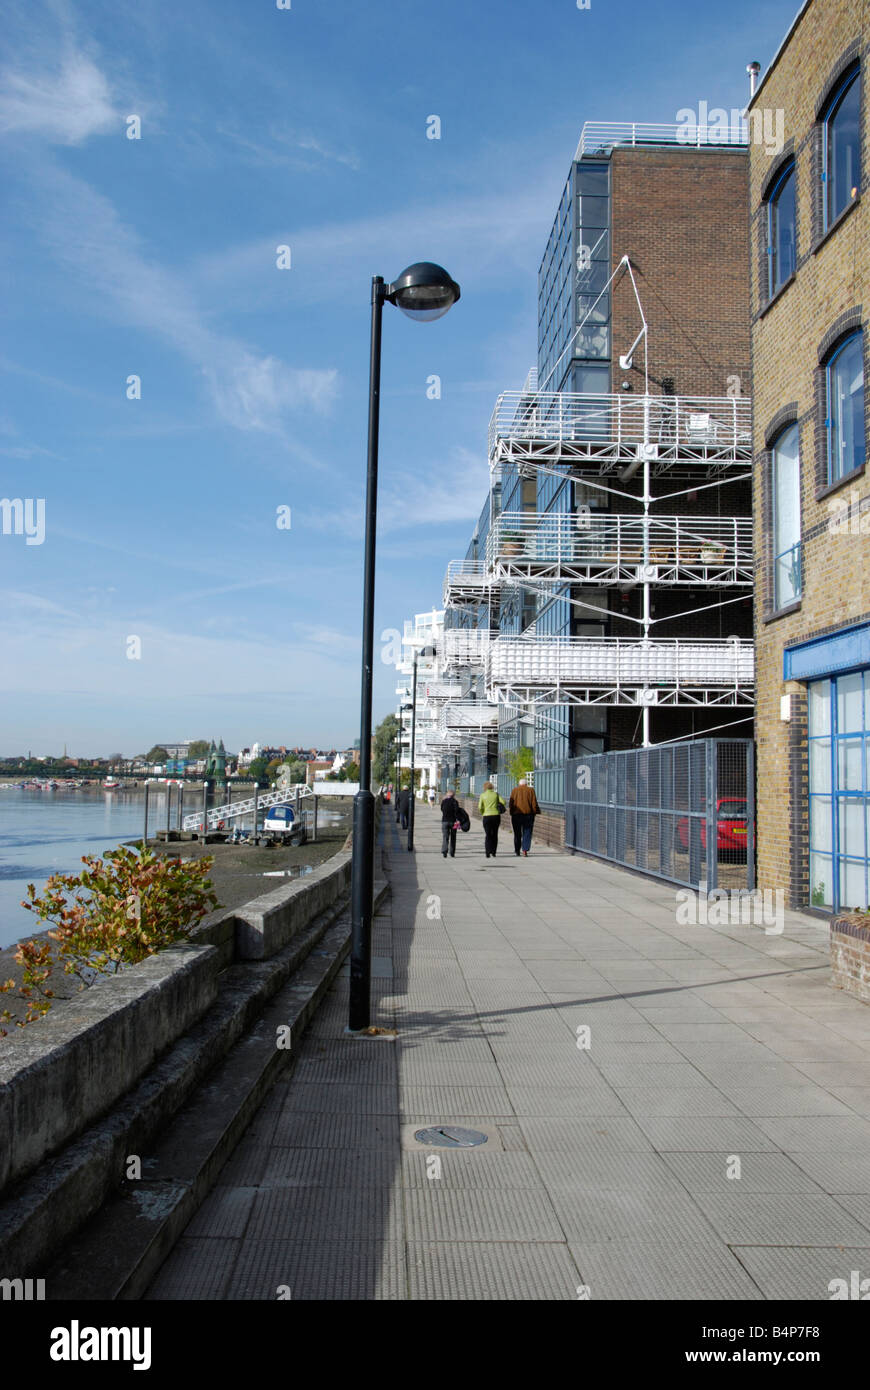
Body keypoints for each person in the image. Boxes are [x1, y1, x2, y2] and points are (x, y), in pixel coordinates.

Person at [509, 777, 541, 857]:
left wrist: (511, 812)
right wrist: (534, 812)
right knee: (527, 833)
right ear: (526, 784)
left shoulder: (514, 790)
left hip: (516, 815)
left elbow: (511, 803)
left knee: (517, 833)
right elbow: (534, 802)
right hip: (528, 815)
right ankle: (525, 850)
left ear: (519, 784)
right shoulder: (531, 790)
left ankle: (517, 850)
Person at [478, 780, 506, 858]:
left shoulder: (482, 795)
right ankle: (493, 852)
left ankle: (487, 852)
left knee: (488, 834)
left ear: (484, 788)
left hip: (486, 816)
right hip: (496, 816)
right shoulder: (496, 794)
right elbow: (503, 802)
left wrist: (483, 812)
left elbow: (480, 807)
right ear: (492, 787)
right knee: (495, 834)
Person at [440, 789, 460, 858]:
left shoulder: (444, 801)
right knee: (453, 837)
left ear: (447, 795)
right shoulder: (455, 802)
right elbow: (457, 811)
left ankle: (444, 851)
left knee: (445, 836)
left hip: (445, 821)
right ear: (454, 795)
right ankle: (452, 852)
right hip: (453, 822)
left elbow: (442, 809)